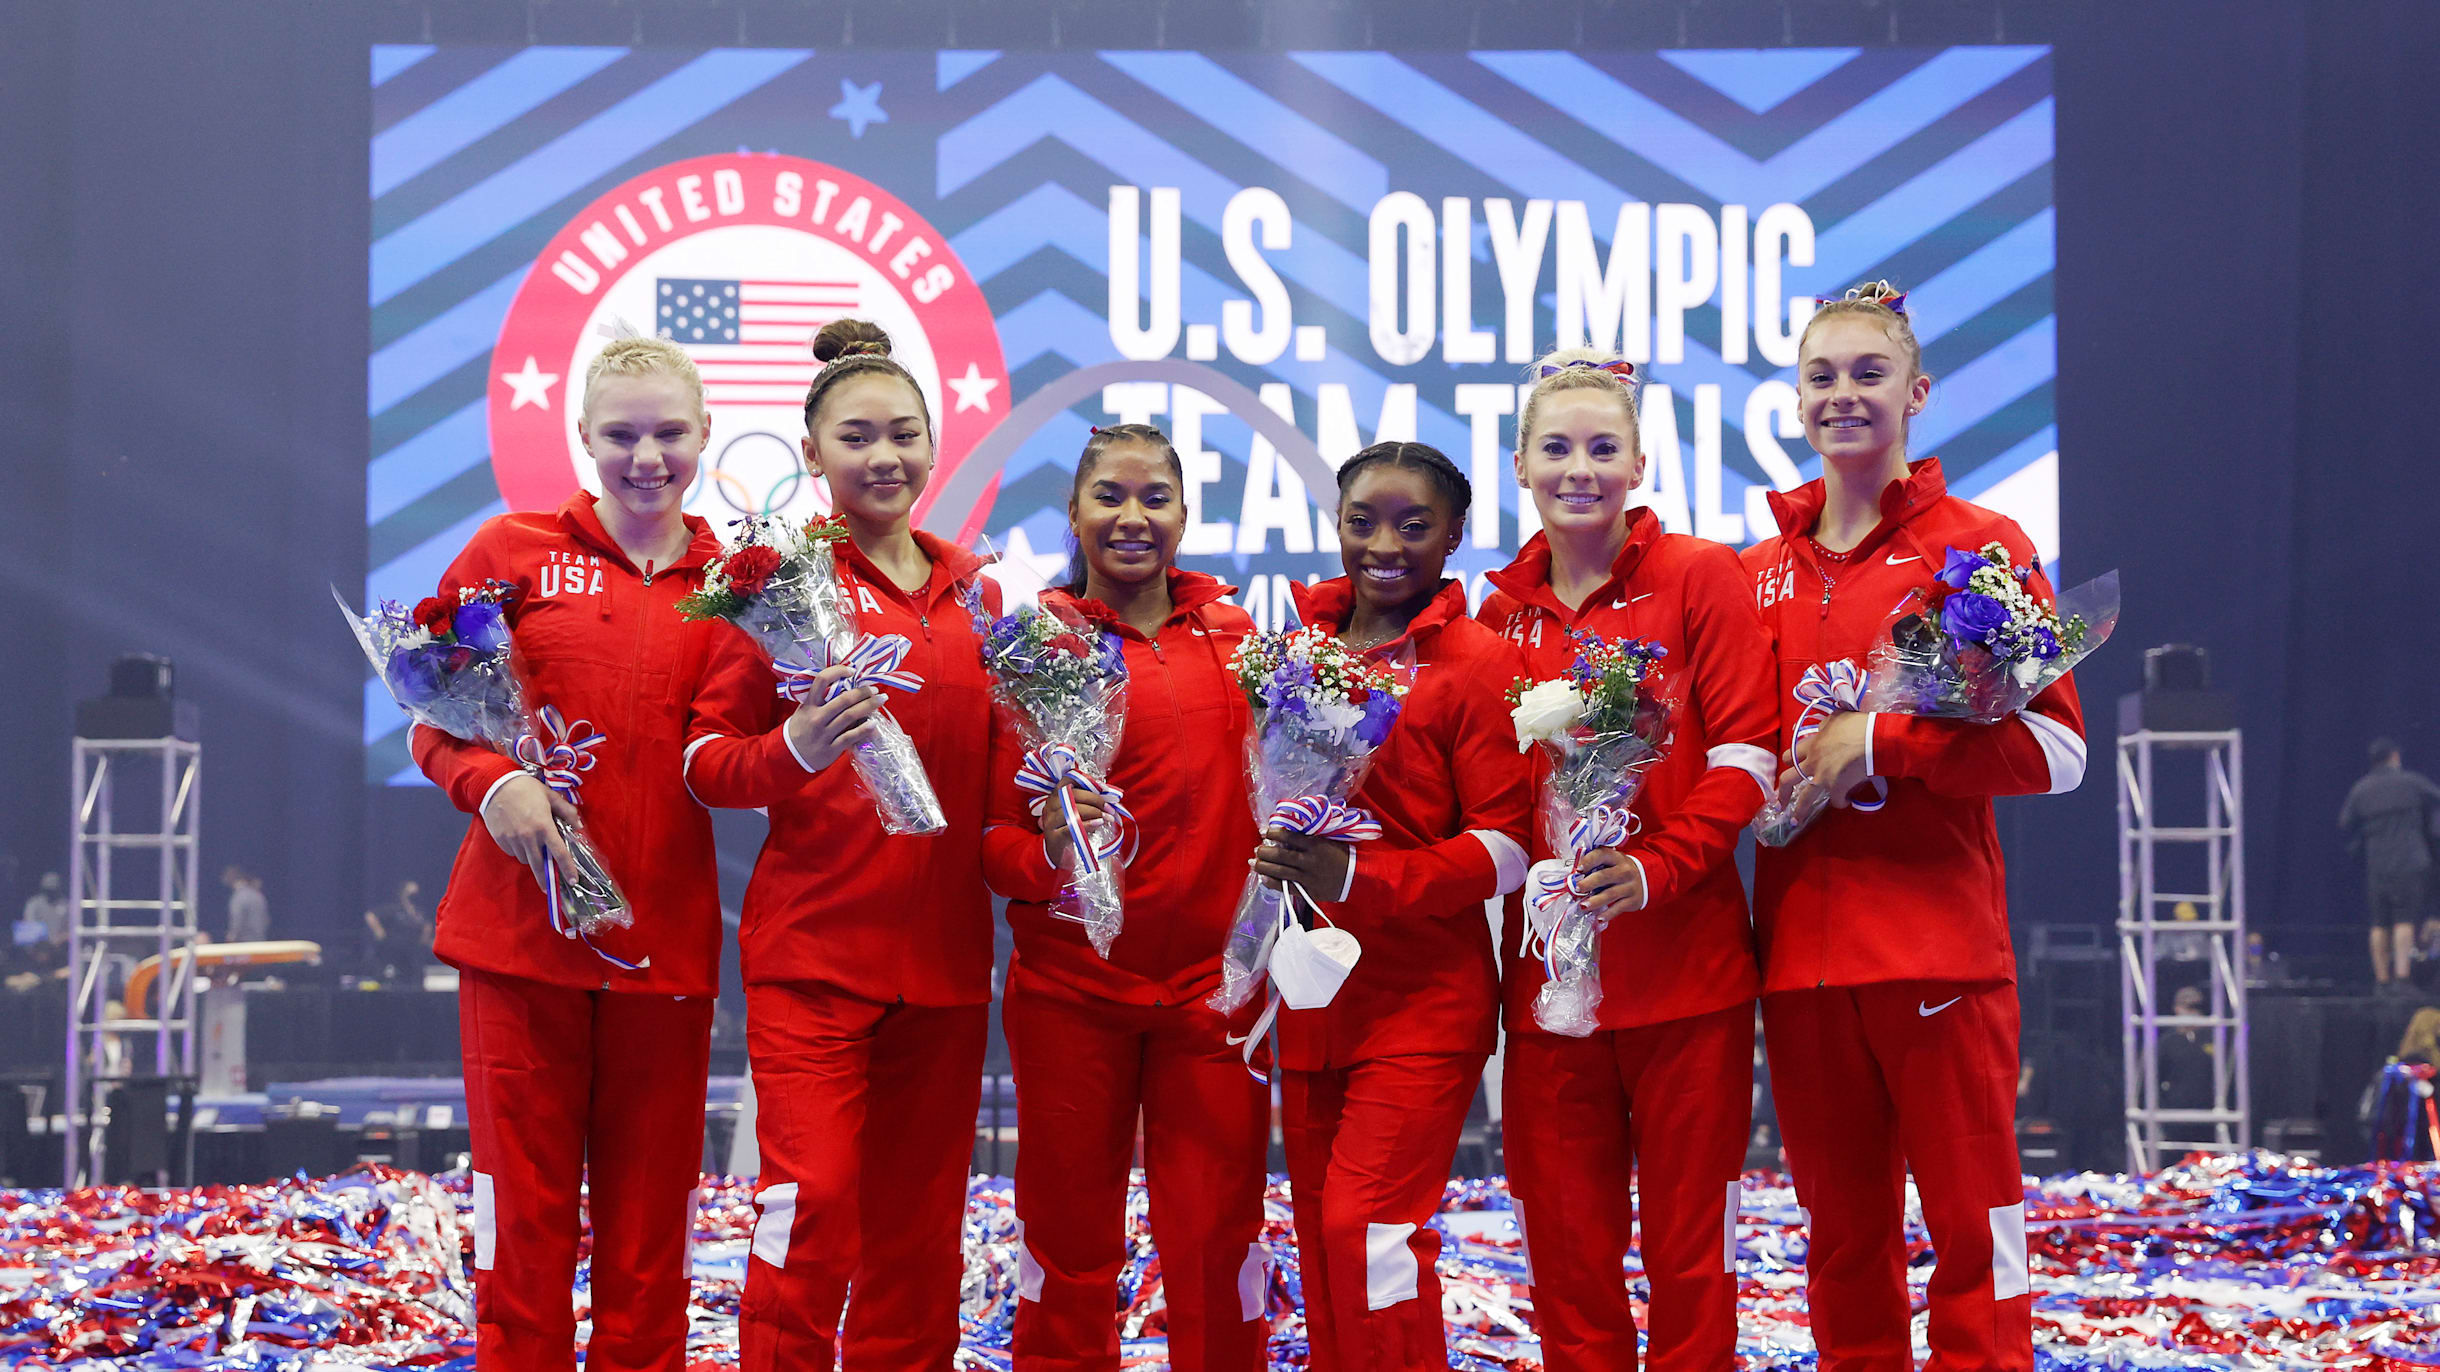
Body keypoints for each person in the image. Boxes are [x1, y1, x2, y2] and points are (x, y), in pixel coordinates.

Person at [1740, 280, 2087, 1372]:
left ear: (1917, 391)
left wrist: (1883, 743)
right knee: (1841, 1246)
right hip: (1798, 965)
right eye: (1821, 376)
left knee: (1976, 1233)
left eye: (1867, 373)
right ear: (1797, 400)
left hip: (1938, 952)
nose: (1842, 395)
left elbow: (2059, 752)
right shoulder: (1751, 575)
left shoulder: (1980, 549)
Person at [684, 319, 1004, 1368]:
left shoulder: (979, 597)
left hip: (947, 972)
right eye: (857, 436)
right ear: (811, 451)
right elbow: (706, 764)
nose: (885, 457)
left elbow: (996, 784)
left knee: (918, 1239)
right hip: (814, 960)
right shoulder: (775, 589)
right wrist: (794, 746)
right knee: (812, 1199)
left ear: (934, 444)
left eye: (905, 434)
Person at [410, 334, 734, 1372]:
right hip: (519, 948)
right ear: (584, 438)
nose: (647, 457)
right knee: (528, 1228)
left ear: (704, 435)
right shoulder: (509, 548)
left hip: (662, 952)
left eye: (668, 433)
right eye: (622, 434)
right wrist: (492, 782)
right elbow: (432, 715)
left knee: (652, 1240)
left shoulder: (738, 583)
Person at [1476, 348, 1778, 1372]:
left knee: (1694, 1257)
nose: (1579, 468)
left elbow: (1746, 753)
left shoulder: (1700, 576)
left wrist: (1658, 865)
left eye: (1603, 447)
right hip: (1550, 993)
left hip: (1687, 981)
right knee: (1568, 1257)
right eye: (1555, 447)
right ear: (1520, 464)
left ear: (1640, 463)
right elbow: (1490, 800)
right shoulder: (1496, 618)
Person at [981, 424, 1270, 1370]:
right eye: (1109, 496)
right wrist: (1049, 863)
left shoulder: (1240, 640)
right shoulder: (1030, 647)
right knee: (1066, 1249)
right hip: (1073, 995)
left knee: (1217, 1241)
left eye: (1155, 498)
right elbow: (989, 839)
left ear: (1186, 513)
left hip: (1213, 999)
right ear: (1074, 513)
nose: (1132, 517)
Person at [1255, 441, 1531, 1371]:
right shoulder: (1296, 654)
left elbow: (1507, 847)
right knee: (1327, 1243)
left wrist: (1361, 882)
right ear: (1336, 525)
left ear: (1454, 535)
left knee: (1367, 1235)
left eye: (1415, 526)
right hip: (1309, 999)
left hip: (1423, 1002)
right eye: (1362, 521)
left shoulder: (1481, 661)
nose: (1385, 544)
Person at [2340, 737, 2440, 989]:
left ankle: (2381, 979)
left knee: (2379, 923)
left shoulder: (2360, 789)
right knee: (2404, 920)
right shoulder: (2410, 782)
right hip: (2410, 862)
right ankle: (2403, 977)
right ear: (2394, 757)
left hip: (2377, 867)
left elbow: (2345, 823)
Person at [221, 866, 268, 944]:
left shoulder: (238, 897)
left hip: (245, 943)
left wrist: (232, 936)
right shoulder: (258, 895)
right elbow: (266, 920)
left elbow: (237, 920)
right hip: (260, 940)